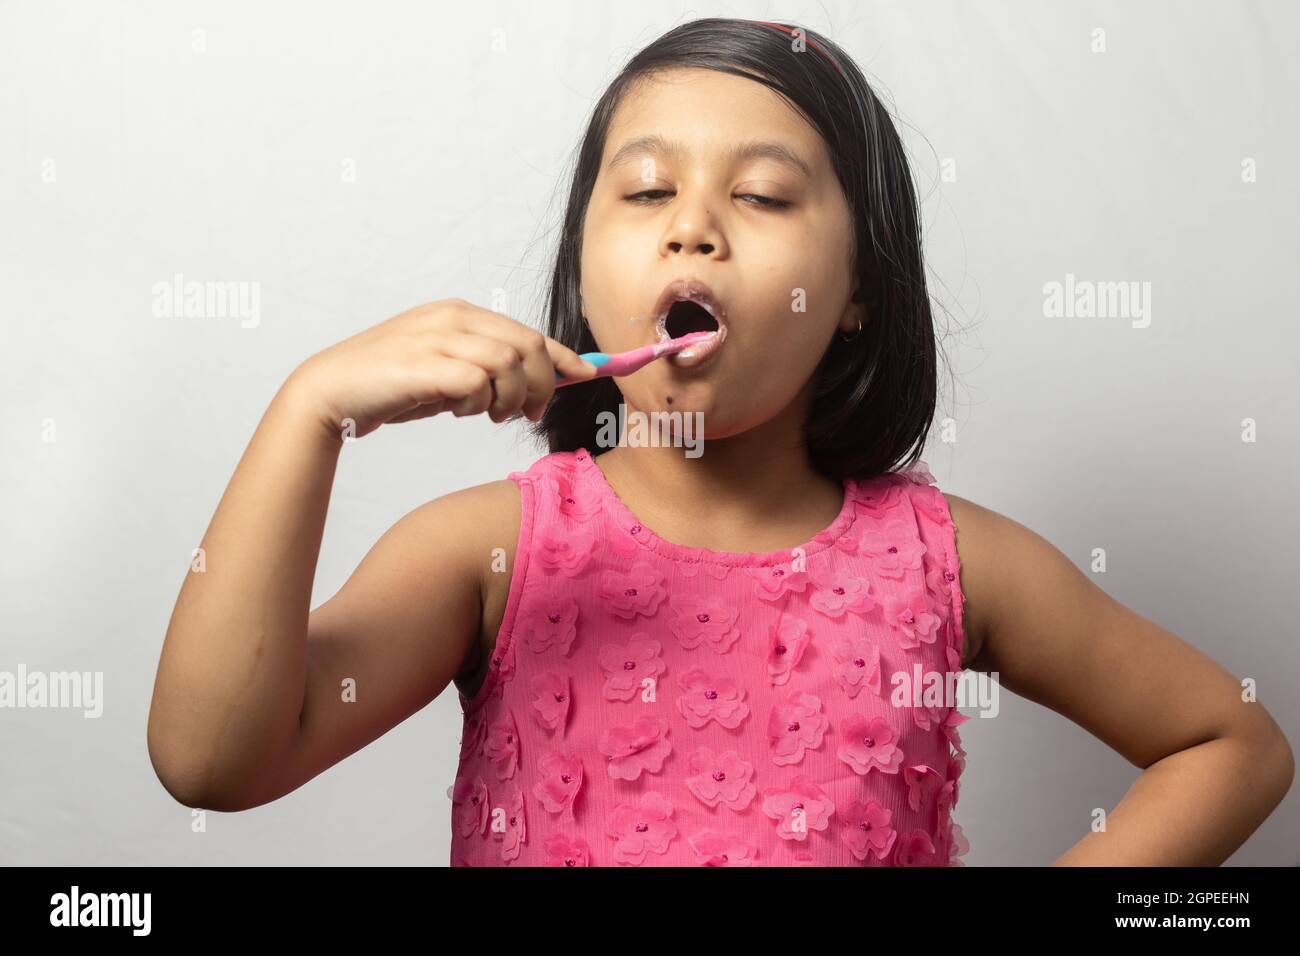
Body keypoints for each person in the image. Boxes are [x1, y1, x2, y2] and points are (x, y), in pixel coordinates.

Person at [148, 18, 1293, 866]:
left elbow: (1229, 740)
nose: (691, 221)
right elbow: (212, 761)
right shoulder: (486, 552)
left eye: (763, 195)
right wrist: (309, 412)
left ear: (856, 289)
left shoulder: (953, 563)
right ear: (586, 267)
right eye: (644, 191)